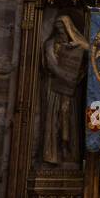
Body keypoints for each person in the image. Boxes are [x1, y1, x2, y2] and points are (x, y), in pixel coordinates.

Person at [40, 14, 89, 166]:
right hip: (54, 88)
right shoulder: (50, 44)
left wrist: (78, 46)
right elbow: (52, 65)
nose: (60, 32)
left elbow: (90, 53)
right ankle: (53, 154)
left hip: (71, 90)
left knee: (69, 118)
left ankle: (69, 152)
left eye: (63, 29)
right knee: (55, 119)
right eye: (58, 29)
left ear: (69, 29)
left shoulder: (74, 45)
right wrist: (68, 76)